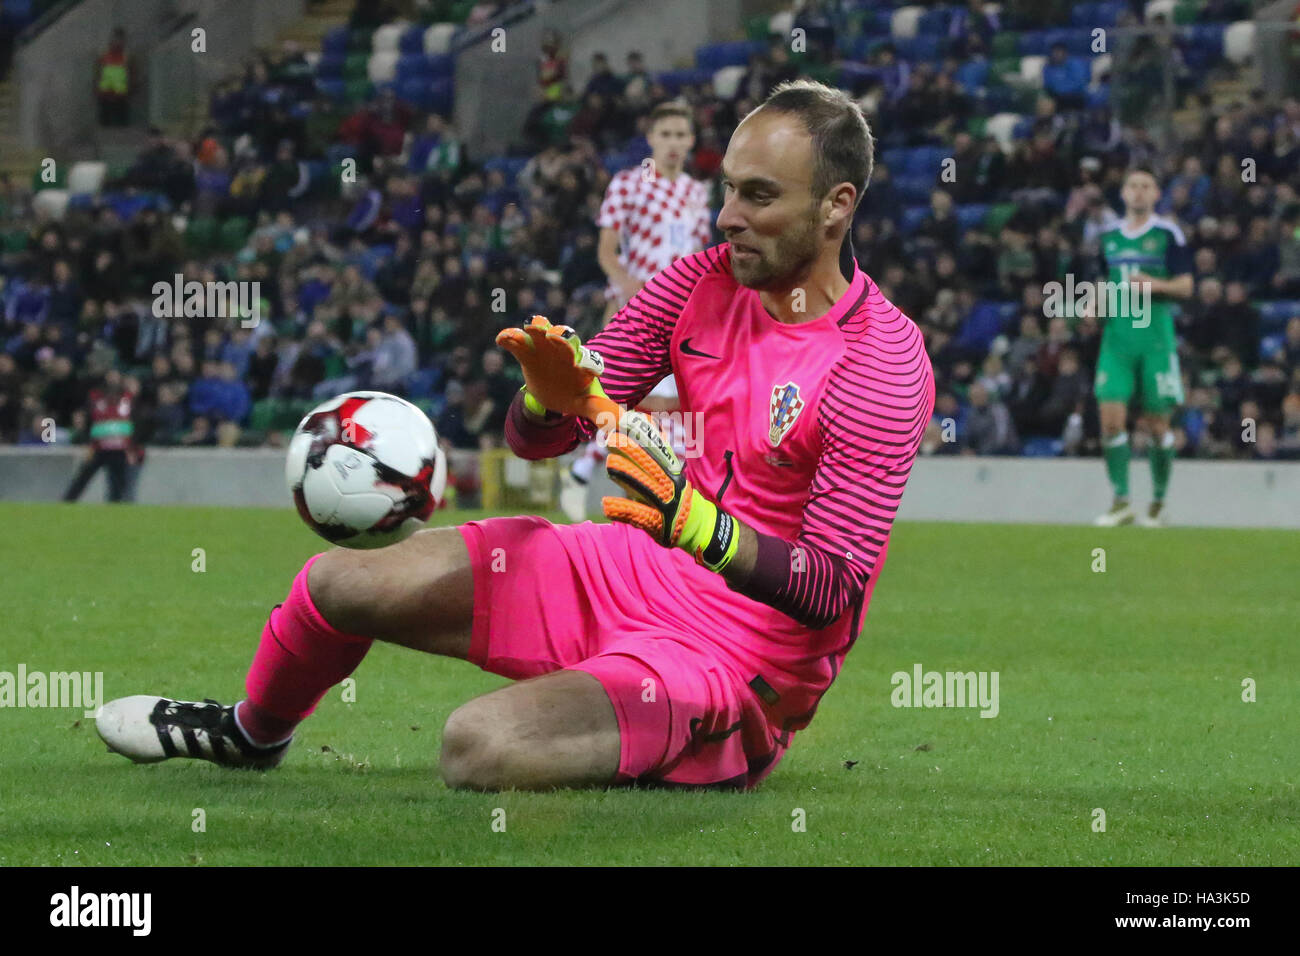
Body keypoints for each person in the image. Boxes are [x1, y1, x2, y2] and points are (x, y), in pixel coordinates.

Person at [95, 80, 935, 792]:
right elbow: (540, 438)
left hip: (740, 657)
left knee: (478, 748)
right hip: (634, 565)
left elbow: (835, 590)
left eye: (759, 197)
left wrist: (696, 527)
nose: (726, 218)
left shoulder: (882, 363)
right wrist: (546, 399)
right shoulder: (700, 283)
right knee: (337, 583)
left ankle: (705, 735)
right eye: (727, 189)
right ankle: (252, 734)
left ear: (836, 207)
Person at [566, 101, 714, 505]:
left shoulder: (697, 192)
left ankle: (676, 491)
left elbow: (699, 254)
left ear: (691, 141)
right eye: (665, 134)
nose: (672, 143)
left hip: (685, 312)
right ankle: (590, 468)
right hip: (639, 307)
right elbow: (606, 253)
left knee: (682, 402)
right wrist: (628, 291)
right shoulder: (628, 184)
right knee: (626, 396)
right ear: (650, 138)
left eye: (680, 135)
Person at [1093, 167, 1193, 527]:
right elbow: (1105, 283)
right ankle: (1121, 501)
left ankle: (1159, 501)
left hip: (1155, 340)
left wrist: (1155, 284)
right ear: (1123, 193)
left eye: (1146, 186)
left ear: (1156, 194)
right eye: (1132, 186)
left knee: (1156, 424)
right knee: (1110, 420)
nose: (1138, 192)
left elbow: (1186, 286)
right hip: (1117, 340)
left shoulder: (1168, 234)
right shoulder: (1107, 238)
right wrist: (1093, 305)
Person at [62, 369, 137, 503]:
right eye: (110, 376)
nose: (113, 379)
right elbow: (88, 417)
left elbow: (135, 420)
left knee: (117, 484)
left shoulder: (128, 397)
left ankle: (114, 508)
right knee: (82, 478)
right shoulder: (95, 396)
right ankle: (67, 502)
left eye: (115, 376)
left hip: (119, 448)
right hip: (98, 447)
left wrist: (131, 447)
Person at [94, 27, 133, 127]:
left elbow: (131, 74)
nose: (118, 42)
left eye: (120, 40)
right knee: (105, 121)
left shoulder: (126, 57)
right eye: (116, 39)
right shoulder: (104, 56)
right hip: (106, 93)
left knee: (121, 120)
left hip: (120, 94)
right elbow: (98, 72)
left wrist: (130, 87)